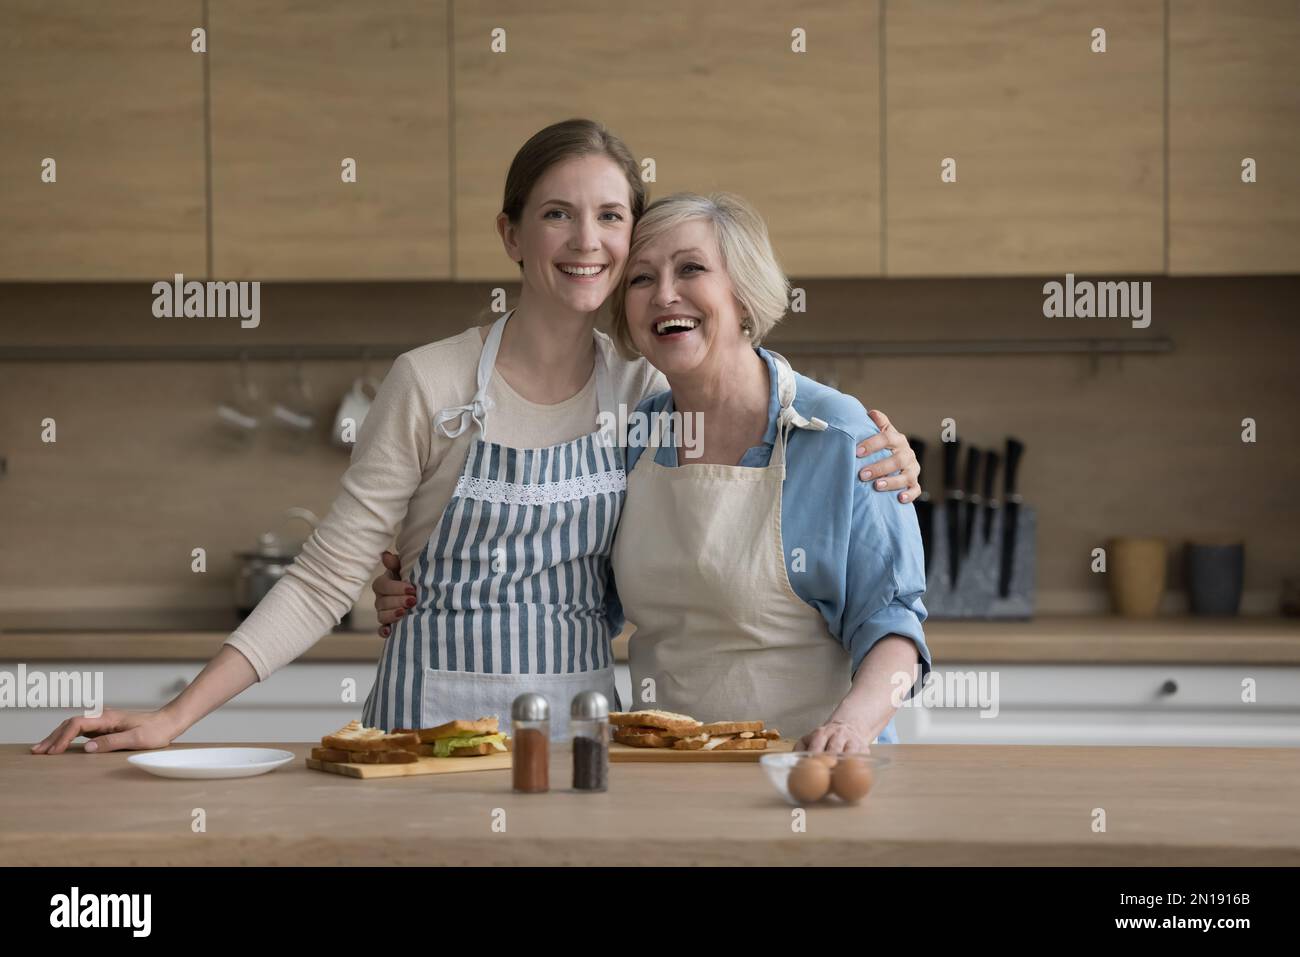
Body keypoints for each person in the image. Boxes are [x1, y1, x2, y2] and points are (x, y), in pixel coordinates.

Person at [32, 120, 920, 755]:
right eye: (557, 214)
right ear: (512, 234)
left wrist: (884, 452)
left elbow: (743, 383)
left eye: (612, 217)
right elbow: (324, 575)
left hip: (575, 751)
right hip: (415, 740)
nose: (590, 241)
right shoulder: (432, 381)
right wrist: (171, 718)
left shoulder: (643, 388)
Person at [607, 192, 929, 750]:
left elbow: (893, 623)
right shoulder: (630, 437)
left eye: (691, 269)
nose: (664, 294)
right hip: (666, 775)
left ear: (743, 294)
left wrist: (849, 727)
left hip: (808, 771)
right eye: (640, 278)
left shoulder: (836, 433)